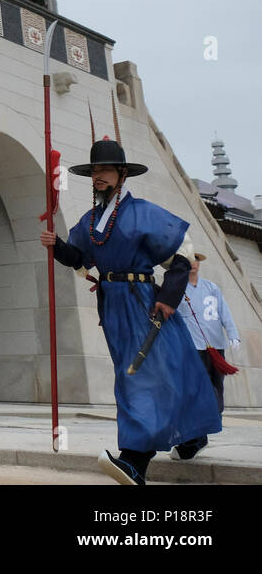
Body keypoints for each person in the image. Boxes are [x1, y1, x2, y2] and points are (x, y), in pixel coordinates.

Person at [40, 138, 220, 484]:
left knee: (140, 376)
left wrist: (168, 299)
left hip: (143, 302)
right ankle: (193, 433)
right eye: (94, 171)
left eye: (105, 170)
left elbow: (181, 257)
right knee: (162, 371)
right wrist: (56, 245)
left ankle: (135, 461)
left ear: (122, 174)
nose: (98, 176)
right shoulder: (90, 220)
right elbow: (79, 258)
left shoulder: (144, 213)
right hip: (111, 304)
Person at [172, 251, 240, 459]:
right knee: (196, 390)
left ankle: (208, 425)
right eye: (188, 260)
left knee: (216, 387)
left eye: (195, 260)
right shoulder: (176, 288)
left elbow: (224, 312)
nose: (192, 264)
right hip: (191, 347)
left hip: (215, 346)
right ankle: (195, 435)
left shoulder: (212, 288)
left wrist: (233, 334)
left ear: (199, 264)